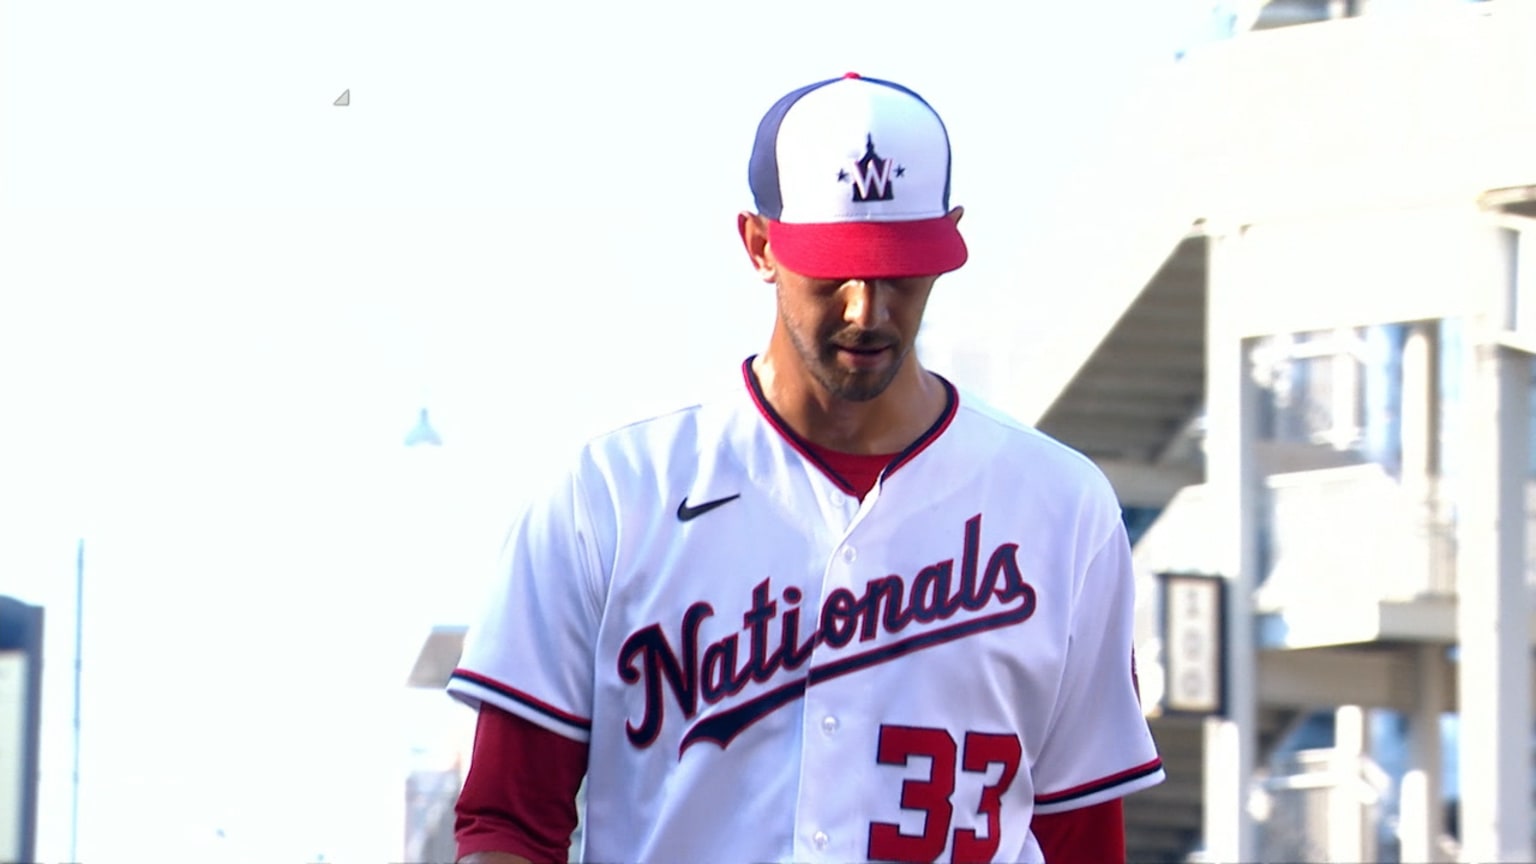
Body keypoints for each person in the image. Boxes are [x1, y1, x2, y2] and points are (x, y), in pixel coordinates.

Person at [447, 72, 1164, 864]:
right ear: (759, 244)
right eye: (838, 268)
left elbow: (1079, 832)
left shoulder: (1061, 509)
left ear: (948, 237)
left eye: (899, 268)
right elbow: (508, 822)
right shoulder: (614, 495)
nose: (868, 309)